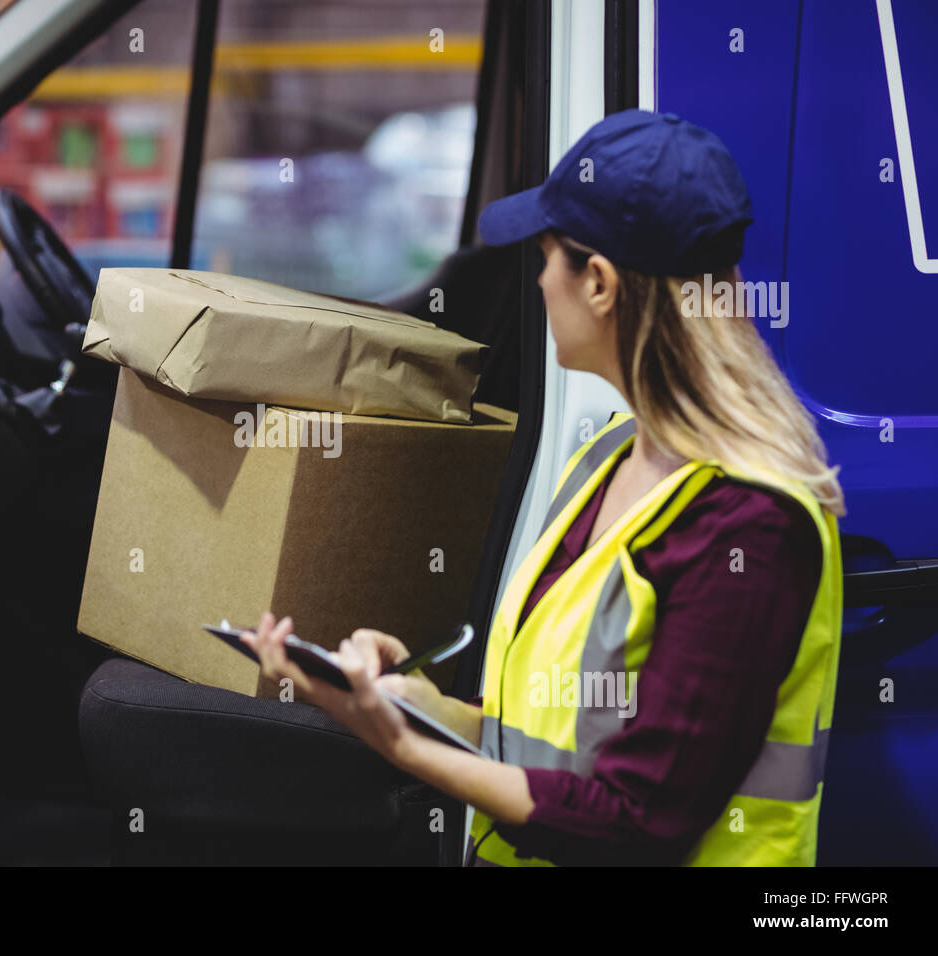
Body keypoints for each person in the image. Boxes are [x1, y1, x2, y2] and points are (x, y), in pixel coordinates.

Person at [242, 109, 845, 866]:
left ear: (599, 284)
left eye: (547, 255)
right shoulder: (608, 464)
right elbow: (555, 745)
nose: (535, 279)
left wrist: (408, 751)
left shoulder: (747, 525)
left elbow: (635, 823)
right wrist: (425, 708)